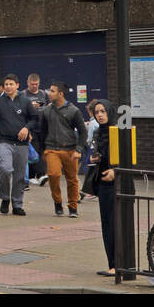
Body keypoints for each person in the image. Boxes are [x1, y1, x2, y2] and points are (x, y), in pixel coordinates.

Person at [0, 73, 33, 216]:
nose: (8, 87)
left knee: (20, 176)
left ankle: (17, 204)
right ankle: (5, 197)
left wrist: (27, 128)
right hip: (4, 142)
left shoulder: (25, 101)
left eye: (11, 84)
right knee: (5, 169)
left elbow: (34, 119)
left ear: (17, 85)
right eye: (6, 84)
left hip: (22, 145)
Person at [42, 80, 88, 218]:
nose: (49, 93)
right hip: (52, 149)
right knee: (53, 175)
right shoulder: (47, 110)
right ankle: (57, 202)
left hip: (70, 150)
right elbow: (42, 131)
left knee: (72, 179)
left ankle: (73, 207)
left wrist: (78, 149)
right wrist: (43, 149)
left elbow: (82, 131)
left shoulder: (73, 111)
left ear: (61, 94)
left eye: (52, 91)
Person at [90, 99, 118, 276]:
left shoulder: (117, 133)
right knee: (106, 224)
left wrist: (115, 171)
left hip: (116, 185)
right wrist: (95, 159)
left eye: (103, 111)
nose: (99, 115)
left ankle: (118, 264)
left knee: (115, 224)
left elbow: (128, 159)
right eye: (96, 112)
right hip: (102, 184)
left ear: (110, 112)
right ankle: (112, 264)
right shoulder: (99, 133)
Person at [24, 73, 50, 184]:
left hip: (42, 127)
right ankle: (36, 175)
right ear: (28, 83)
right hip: (31, 128)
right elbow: (20, 112)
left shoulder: (44, 94)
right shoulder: (23, 95)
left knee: (42, 151)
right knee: (33, 152)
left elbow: (49, 106)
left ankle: (39, 176)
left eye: (36, 84)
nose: (34, 86)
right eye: (32, 84)